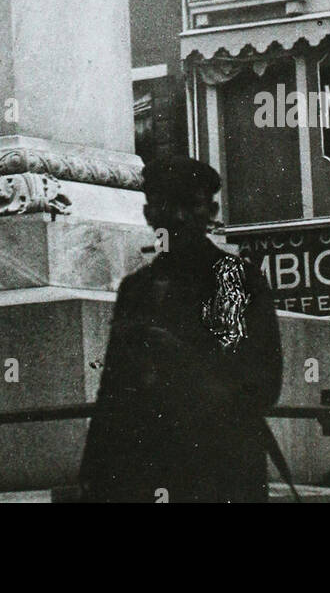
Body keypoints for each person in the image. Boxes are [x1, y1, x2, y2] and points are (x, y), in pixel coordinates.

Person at [79, 156, 283, 502]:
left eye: (190, 204)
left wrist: (179, 356)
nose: (177, 217)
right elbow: (113, 391)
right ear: (148, 213)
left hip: (219, 471)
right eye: (164, 205)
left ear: (211, 211)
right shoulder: (136, 289)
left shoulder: (236, 280)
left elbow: (261, 385)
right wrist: (95, 470)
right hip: (147, 472)